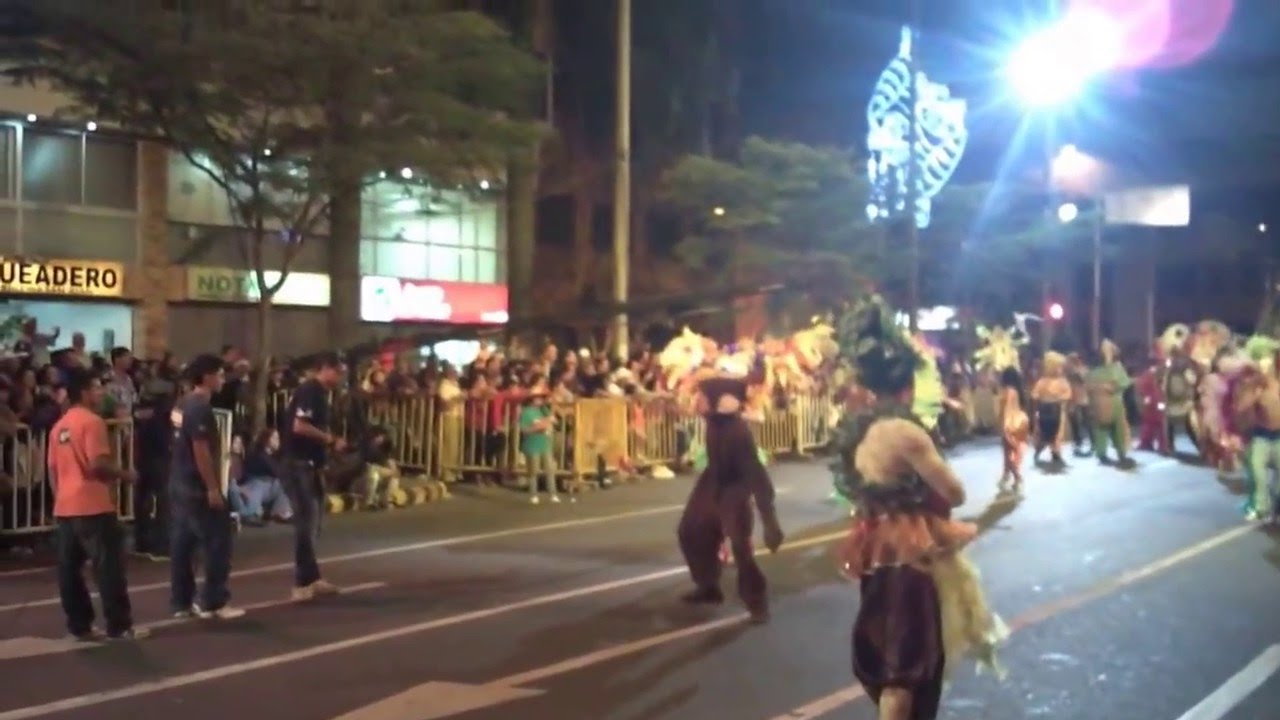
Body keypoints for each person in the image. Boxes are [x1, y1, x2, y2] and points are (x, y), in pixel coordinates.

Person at [831, 295, 1004, 720]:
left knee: (886, 647)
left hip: (874, 545)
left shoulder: (858, 430)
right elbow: (955, 492)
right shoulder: (905, 432)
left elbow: (856, 489)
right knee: (905, 660)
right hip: (910, 551)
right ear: (907, 386)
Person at [47, 367, 147, 641]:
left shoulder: (59, 427)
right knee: (108, 568)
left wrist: (61, 499)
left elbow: (53, 471)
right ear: (84, 392)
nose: (101, 393)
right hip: (93, 505)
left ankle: (79, 624)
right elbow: (98, 464)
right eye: (97, 387)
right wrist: (126, 475)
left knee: (70, 571)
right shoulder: (92, 423)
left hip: (66, 506)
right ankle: (119, 625)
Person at [676, 375, 783, 624]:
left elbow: (756, 474)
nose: (697, 401)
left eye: (703, 396)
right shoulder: (714, 423)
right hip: (713, 479)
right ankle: (708, 586)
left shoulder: (736, 432)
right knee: (691, 530)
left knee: (740, 546)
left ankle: (757, 601)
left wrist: (770, 521)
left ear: (719, 401)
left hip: (735, 486)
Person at [168, 354, 244, 620]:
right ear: (208, 376)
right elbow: (200, 449)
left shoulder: (180, 404)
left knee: (182, 545)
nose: (223, 379)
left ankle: (181, 602)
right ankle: (213, 601)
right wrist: (212, 487)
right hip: (196, 485)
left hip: (178, 481)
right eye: (220, 374)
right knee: (216, 542)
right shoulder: (200, 408)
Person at [280, 352, 346, 601]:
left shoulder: (321, 393)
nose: (341, 377)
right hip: (297, 464)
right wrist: (329, 439)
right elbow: (300, 425)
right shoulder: (310, 390)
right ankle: (302, 582)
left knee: (314, 522)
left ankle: (312, 576)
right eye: (338, 371)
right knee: (306, 523)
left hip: (310, 464)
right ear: (325, 368)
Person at [1087, 340, 1134, 466]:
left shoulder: (1094, 371)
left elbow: (1089, 387)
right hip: (1113, 403)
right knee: (1117, 430)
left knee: (1103, 430)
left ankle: (1105, 454)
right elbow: (1124, 383)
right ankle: (1119, 453)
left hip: (1101, 404)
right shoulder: (1116, 368)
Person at [518, 378, 560, 504]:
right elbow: (524, 430)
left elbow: (553, 420)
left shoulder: (543, 410)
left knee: (549, 469)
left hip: (544, 443)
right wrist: (538, 426)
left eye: (542, 398)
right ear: (532, 399)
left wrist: (550, 418)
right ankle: (533, 494)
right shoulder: (526, 412)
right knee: (533, 470)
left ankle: (552, 493)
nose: (541, 400)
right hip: (532, 444)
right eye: (538, 398)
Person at [1030, 351, 1071, 466]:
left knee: (1057, 433)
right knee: (1043, 433)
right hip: (1044, 410)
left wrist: (1059, 397)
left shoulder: (1062, 381)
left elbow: (1067, 394)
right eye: (1058, 367)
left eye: (1061, 367)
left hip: (1057, 409)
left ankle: (1056, 452)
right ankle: (1039, 449)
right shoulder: (1042, 382)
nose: (1060, 369)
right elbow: (1035, 395)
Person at [997, 367, 1028, 492]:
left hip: (1010, 423)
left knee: (1008, 451)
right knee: (1011, 451)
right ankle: (1006, 475)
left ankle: (1017, 476)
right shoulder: (1017, 391)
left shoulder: (1008, 391)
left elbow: (1006, 409)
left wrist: (1003, 426)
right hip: (1020, 421)